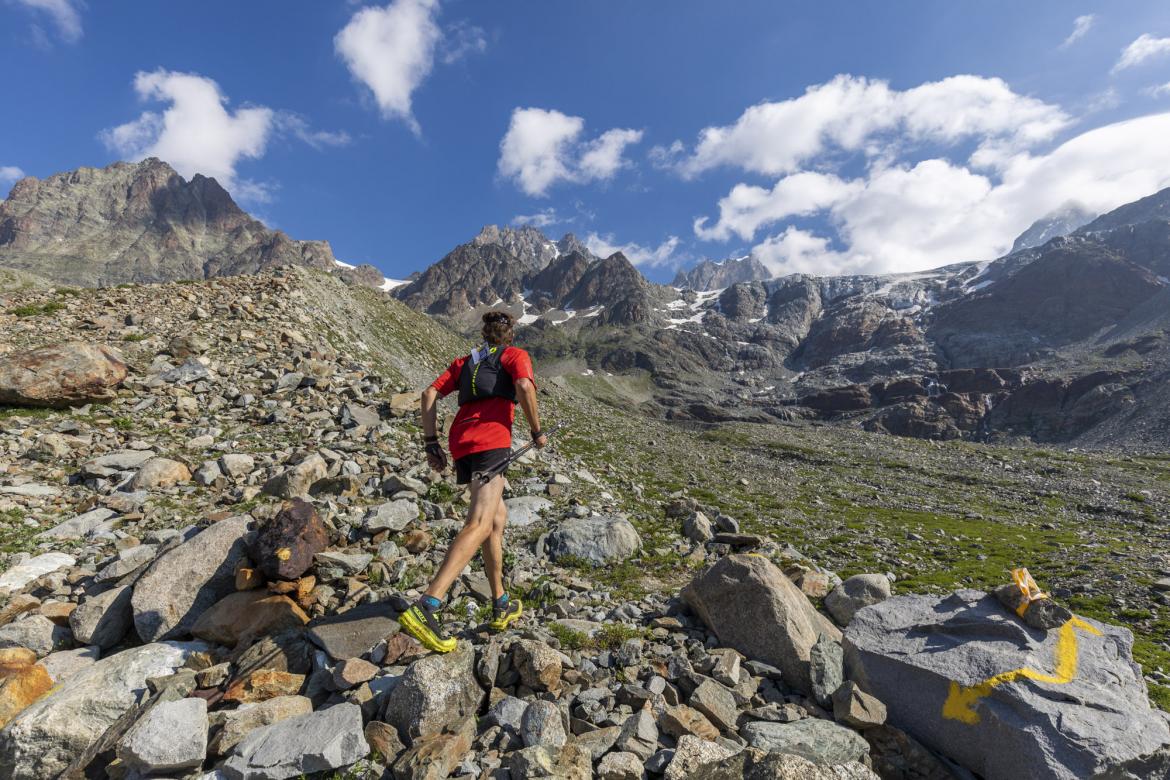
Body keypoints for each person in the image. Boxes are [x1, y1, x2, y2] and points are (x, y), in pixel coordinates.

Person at [397, 311, 548, 653]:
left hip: (460, 442)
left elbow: (428, 395)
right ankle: (428, 605)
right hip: (491, 442)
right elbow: (524, 386)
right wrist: (537, 432)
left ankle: (500, 601)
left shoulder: (465, 362)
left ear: (484, 334)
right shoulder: (515, 355)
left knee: (496, 519)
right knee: (479, 522)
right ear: (509, 335)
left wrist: (430, 442)